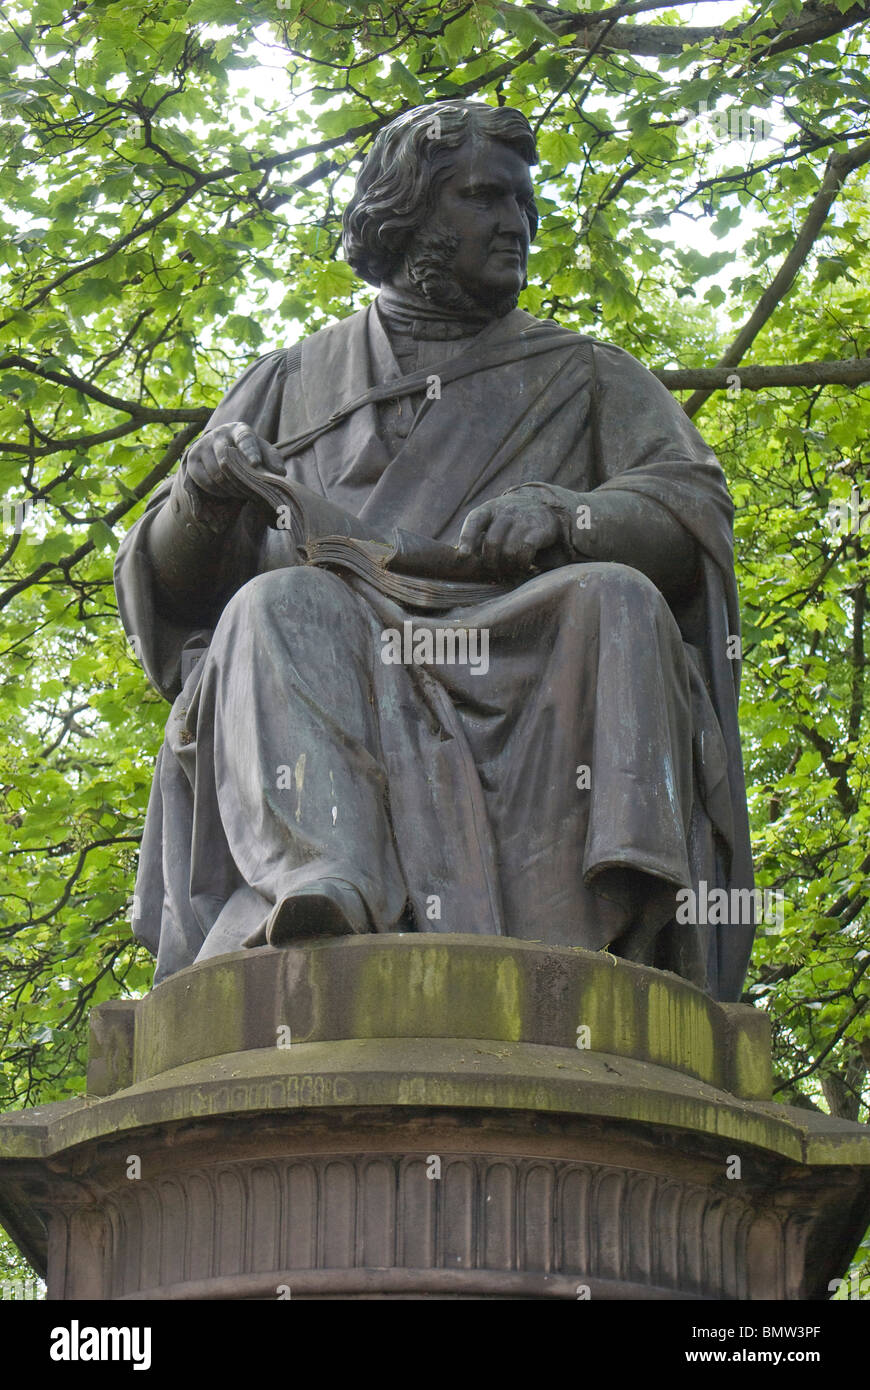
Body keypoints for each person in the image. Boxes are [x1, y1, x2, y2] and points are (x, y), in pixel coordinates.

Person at [115, 100, 755, 1000]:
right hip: (334, 640)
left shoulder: (588, 376)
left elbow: (689, 516)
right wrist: (202, 495)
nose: (516, 225)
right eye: (486, 198)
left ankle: (581, 935)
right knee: (272, 605)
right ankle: (321, 880)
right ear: (407, 213)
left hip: (518, 633)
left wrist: (570, 516)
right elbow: (172, 593)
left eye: (525, 205)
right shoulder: (295, 381)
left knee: (616, 595)